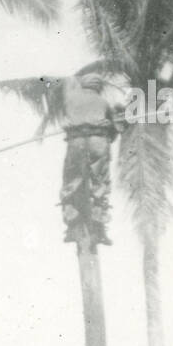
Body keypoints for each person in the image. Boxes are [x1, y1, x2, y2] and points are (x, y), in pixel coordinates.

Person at [56, 75, 119, 246]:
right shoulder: (103, 102)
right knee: (100, 181)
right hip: (98, 140)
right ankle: (99, 218)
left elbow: (65, 119)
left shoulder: (70, 100)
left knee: (72, 178)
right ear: (97, 87)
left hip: (76, 141)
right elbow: (113, 130)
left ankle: (70, 216)